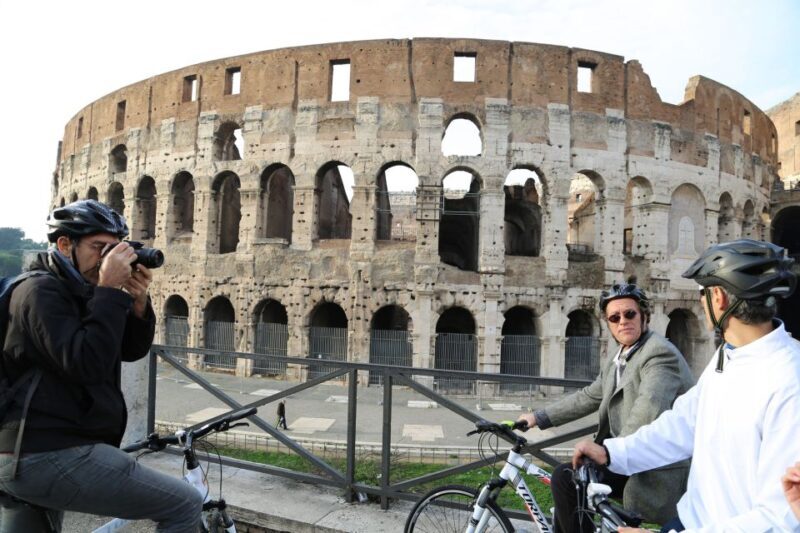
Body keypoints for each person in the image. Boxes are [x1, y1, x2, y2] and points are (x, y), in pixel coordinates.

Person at [0, 200, 203, 532]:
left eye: (115, 250)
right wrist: (109, 290)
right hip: (41, 451)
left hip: (43, 449)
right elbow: (86, 365)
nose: (109, 259)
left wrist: (137, 304)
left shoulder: (78, 290)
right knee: (184, 502)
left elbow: (128, 350)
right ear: (65, 245)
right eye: (99, 248)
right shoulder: (39, 292)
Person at [573, 239, 800, 533]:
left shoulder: (788, 380)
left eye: (702, 293)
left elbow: (782, 516)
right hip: (691, 519)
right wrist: (614, 454)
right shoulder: (728, 355)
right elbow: (683, 423)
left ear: (718, 297)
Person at [518, 282, 695, 531]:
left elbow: (647, 410)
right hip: (628, 456)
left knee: (566, 478)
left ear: (644, 316)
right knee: (570, 485)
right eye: (614, 317)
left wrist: (608, 453)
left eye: (629, 314)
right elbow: (590, 395)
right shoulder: (621, 355)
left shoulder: (659, 355)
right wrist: (538, 417)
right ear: (609, 324)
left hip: (656, 468)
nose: (623, 321)